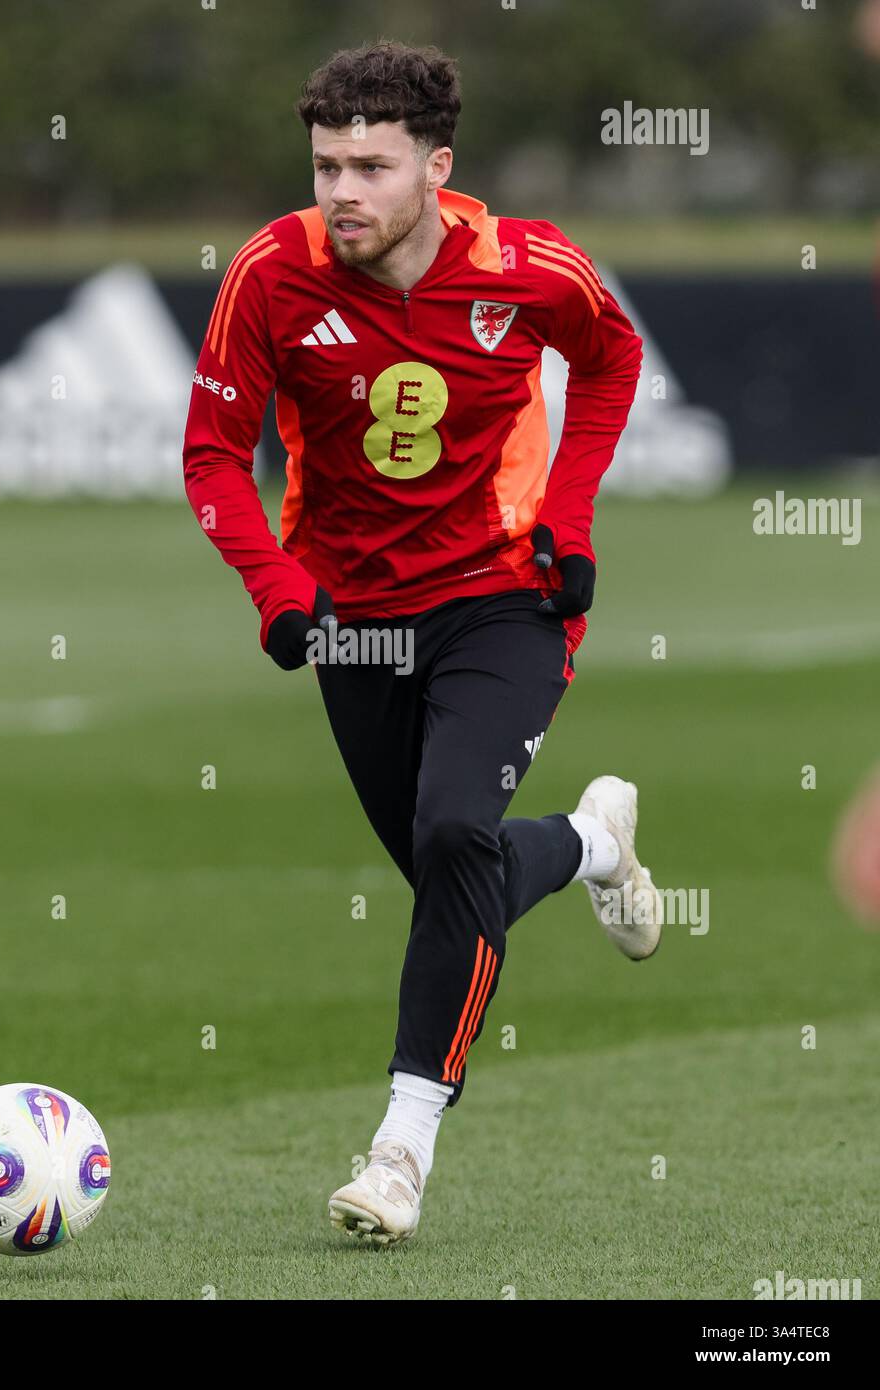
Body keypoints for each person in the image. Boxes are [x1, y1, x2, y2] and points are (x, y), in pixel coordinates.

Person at [182, 39, 662, 1247]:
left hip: (503, 598)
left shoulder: (528, 266)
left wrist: (567, 519)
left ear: (435, 169)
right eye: (325, 166)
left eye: (370, 168)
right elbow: (210, 456)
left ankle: (399, 1148)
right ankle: (591, 842)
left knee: (452, 836)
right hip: (352, 621)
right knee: (452, 874)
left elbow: (611, 359)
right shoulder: (269, 274)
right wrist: (275, 587)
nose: (341, 192)